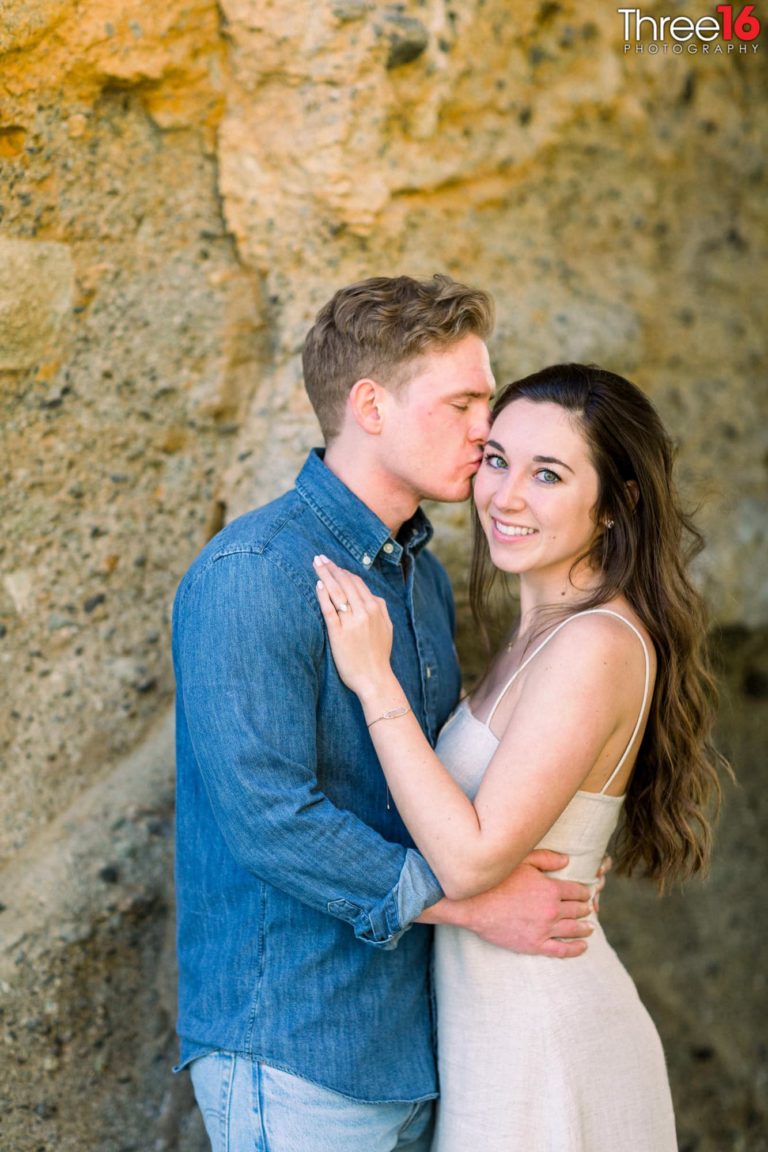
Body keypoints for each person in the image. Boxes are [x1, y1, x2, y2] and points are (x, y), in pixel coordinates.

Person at [172, 278, 600, 1152]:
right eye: (463, 402)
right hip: (294, 1046)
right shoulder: (255, 572)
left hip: (414, 1049)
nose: (488, 429)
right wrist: (474, 906)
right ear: (370, 405)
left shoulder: (422, 577)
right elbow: (270, 821)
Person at [313, 362, 729, 1152]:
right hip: (491, 1029)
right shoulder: (543, 632)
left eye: (549, 474)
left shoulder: (596, 644)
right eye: (498, 460)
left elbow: (470, 860)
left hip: (543, 1038)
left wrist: (373, 682)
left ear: (616, 504)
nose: (505, 496)